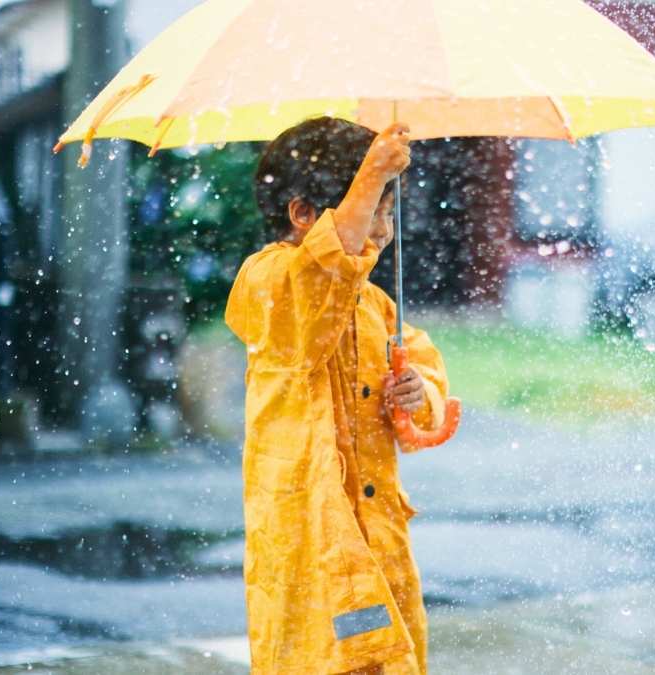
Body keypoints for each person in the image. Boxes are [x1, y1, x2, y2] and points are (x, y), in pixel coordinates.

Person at [225, 117, 448, 675]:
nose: (383, 230)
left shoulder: (373, 303)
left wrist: (417, 393)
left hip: (374, 525)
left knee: (387, 653)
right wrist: (372, 171)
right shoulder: (268, 279)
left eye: (390, 213)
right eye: (373, 210)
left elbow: (426, 373)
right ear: (302, 214)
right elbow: (321, 278)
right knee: (322, 655)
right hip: (310, 529)